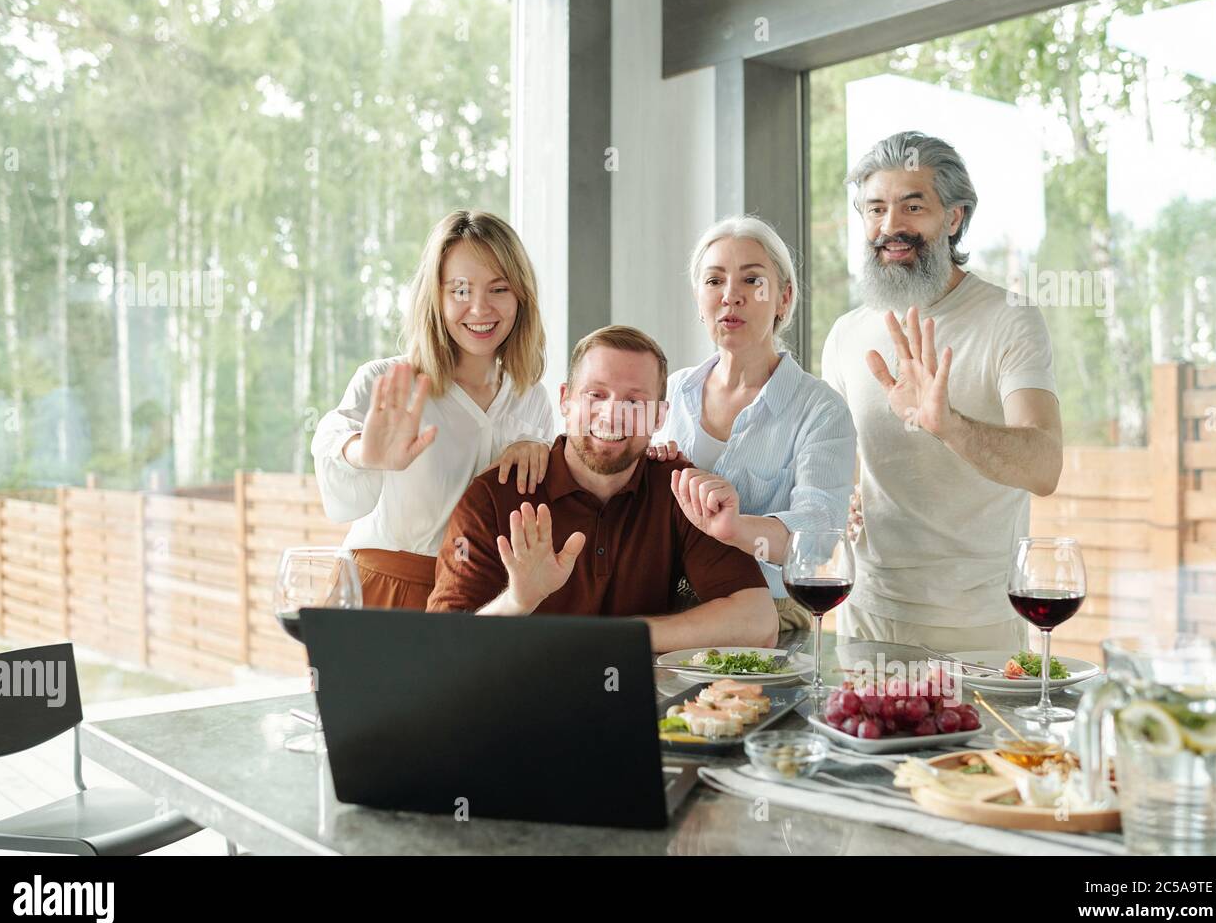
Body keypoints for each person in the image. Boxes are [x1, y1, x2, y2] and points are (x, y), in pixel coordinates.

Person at [821, 131, 1063, 653]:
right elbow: (834, 472)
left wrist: (948, 425)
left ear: (953, 218)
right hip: (866, 615)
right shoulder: (846, 335)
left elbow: (1044, 466)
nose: (890, 227)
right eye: (875, 209)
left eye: (913, 206)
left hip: (978, 624)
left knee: (976, 741)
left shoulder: (1010, 319)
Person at [426, 325, 778, 653]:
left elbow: (759, 622)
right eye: (595, 395)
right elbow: (441, 647)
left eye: (635, 402)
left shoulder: (678, 489)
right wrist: (517, 601)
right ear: (565, 401)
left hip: (647, 707)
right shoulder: (493, 496)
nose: (612, 415)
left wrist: (615, 637)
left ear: (659, 417)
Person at [312, 210, 555, 609]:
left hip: (483, 598)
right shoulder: (387, 381)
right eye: (460, 290)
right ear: (436, 297)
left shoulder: (532, 398)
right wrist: (364, 454)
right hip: (384, 592)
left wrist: (539, 449)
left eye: (498, 289)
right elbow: (333, 449)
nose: (479, 309)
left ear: (520, 297)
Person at [645, 215, 855, 633]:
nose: (730, 297)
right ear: (698, 298)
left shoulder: (821, 410)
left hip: (770, 614)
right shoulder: (671, 390)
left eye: (751, 281)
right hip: (668, 606)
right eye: (714, 281)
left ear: (783, 298)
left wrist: (736, 528)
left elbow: (816, 539)